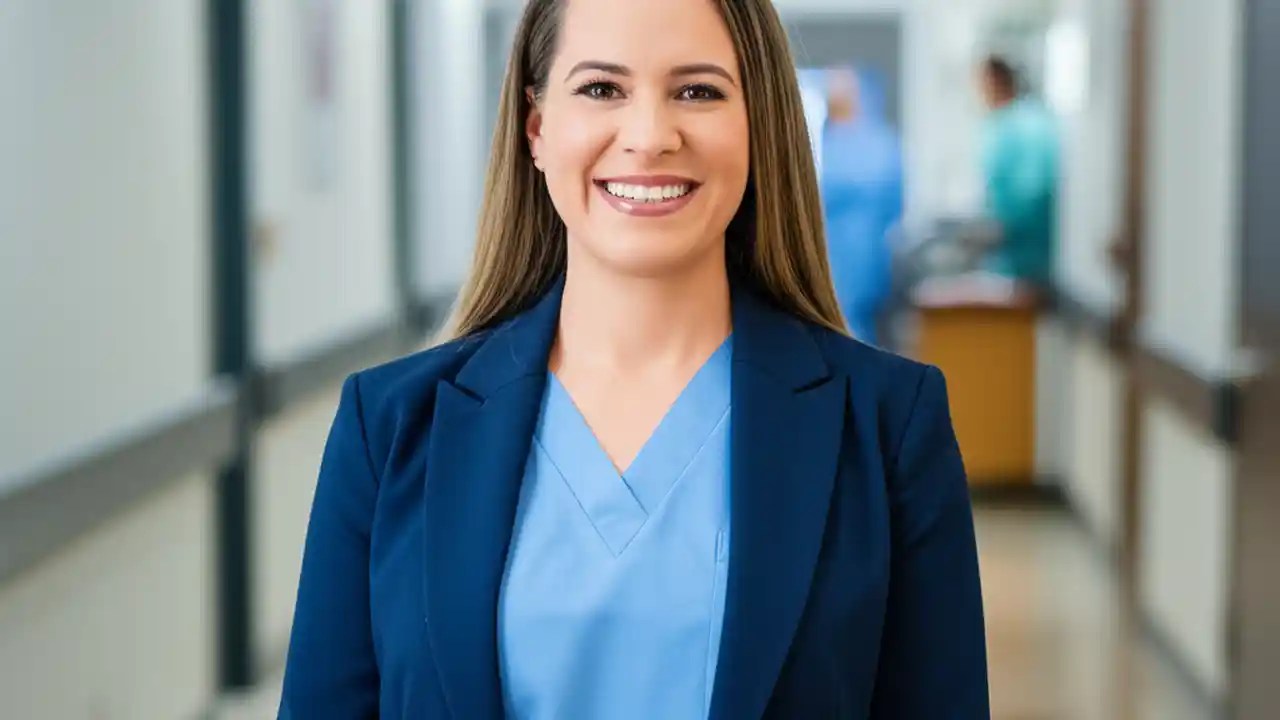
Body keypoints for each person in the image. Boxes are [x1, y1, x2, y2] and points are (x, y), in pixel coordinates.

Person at [278, 1, 988, 718]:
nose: (649, 137)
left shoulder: (889, 429)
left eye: (698, 91)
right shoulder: (390, 430)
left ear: (759, 127)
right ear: (537, 129)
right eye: (601, 88)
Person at [820, 66, 904, 346]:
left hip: (865, 257)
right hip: (839, 254)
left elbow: (895, 203)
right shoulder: (828, 144)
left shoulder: (876, 143)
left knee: (856, 324)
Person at [977, 55, 1059, 289]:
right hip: (1011, 255)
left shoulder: (1023, 126)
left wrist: (999, 228)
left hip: (1025, 254)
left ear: (995, 81)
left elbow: (1032, 191)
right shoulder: (1005, 124)